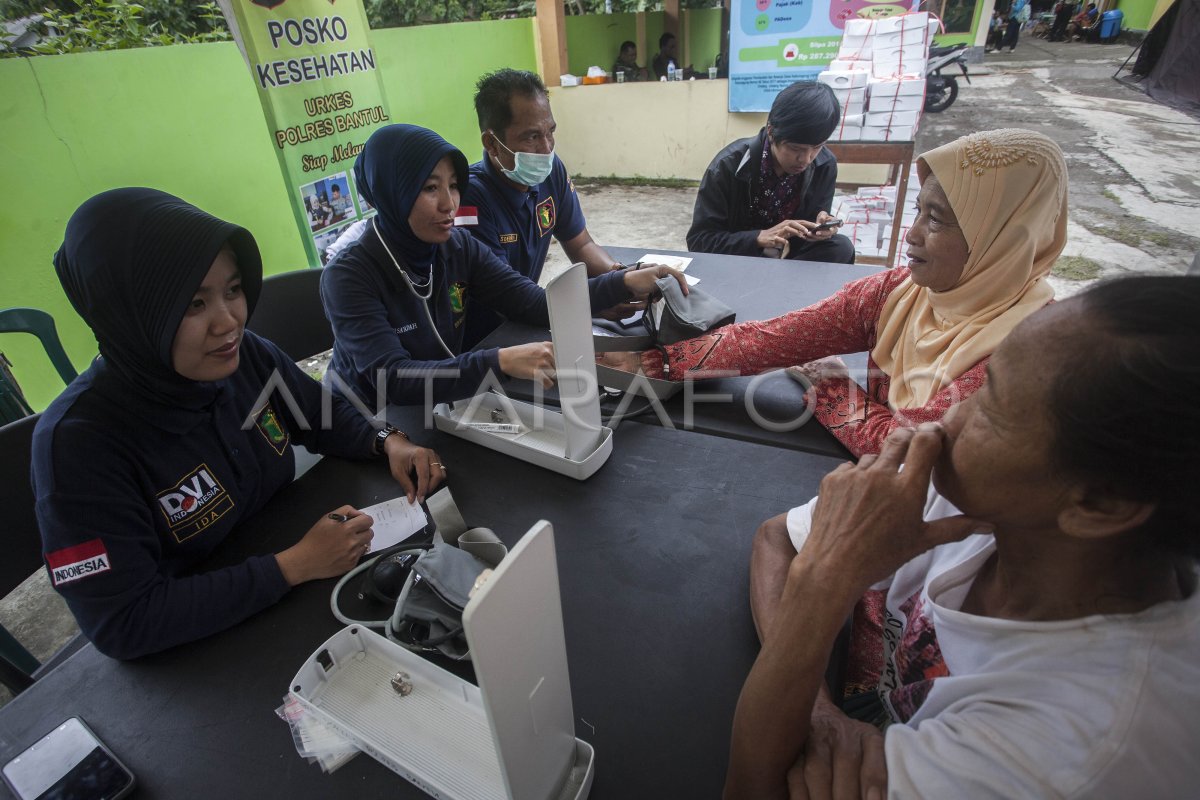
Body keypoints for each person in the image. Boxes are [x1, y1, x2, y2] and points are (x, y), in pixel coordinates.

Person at [727, 274, 1200, 798]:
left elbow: (750, 787)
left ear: (1099, 504)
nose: (950, 414)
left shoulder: (1056, 755)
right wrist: (818, 712)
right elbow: (777, 539)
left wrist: (825, 579)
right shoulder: (984, 498)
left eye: (990, 403)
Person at [33, 188, 446, 661]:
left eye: (233, 290)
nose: (228, 321)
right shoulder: (77, 445)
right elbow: (122, 622)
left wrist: (387, 441)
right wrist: (292, 566)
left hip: (287, 599)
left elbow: (321, 415)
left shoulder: (242, 355)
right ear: (130, 313)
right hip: (201, 659)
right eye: (193, 304)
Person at [610, 128, 1066, 457]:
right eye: (919, 211)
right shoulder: (903, 293)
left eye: (938, 219)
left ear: (1007, 238)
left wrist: (832, 387)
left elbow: (911, 458)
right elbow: (779, 337)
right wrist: (656, 363)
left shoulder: (1023, 359)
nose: (911, 234)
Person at [321, 123, 685, 408]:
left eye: (453, 185)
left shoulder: (456, 247)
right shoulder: (349, 275)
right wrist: (498, 362)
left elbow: (534, 302)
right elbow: (392, 379)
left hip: (442, 399)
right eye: (430, 188)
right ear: (391, 192)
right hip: (370, 419)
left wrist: (624, 281)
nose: (449, 204)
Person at [460, 68, 640, 346]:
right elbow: (509, 298)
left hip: (535, 316)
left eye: (550, 131)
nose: (546, 148)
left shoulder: (551, 171)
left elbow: (580, 243)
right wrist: (590, 301)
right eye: (531, 137)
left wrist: (619, 274)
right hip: (489, 339)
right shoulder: (471, 198)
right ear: (492, 144)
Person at [689, 81, 856, 263]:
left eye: (816, 147)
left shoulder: (824, 164)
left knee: (841, 248)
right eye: (795, 148)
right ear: (771, 132)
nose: (806, 159)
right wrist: (757, 238)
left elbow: (812, 226)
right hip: (741, 259)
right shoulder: (729, 165)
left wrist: (822, 229)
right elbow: (699, 241)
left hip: (792, 261)